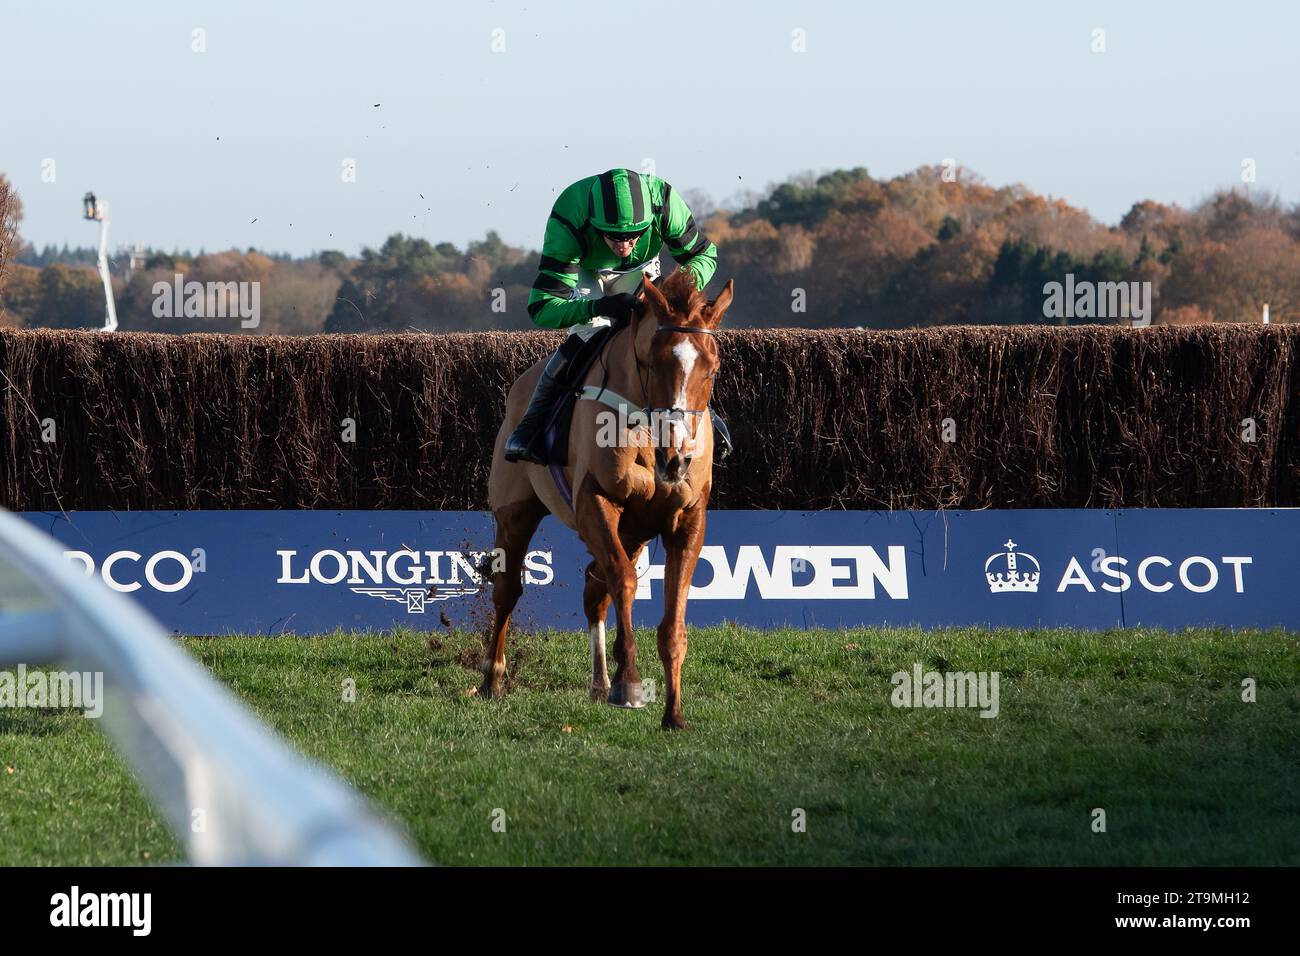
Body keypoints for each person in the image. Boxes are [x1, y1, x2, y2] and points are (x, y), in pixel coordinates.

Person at [503, 167, 732, 464]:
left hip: (642, 268)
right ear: (595, 224)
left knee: (671, 335)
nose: (623, 245)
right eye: (613, 236)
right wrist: (596, 307)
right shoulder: (570, 213)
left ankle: (709, 414)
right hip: (586, 270)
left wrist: (675, 290)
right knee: (590, 330)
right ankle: (531, 424)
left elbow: (704, 256)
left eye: (633, 235)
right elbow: (542, 307)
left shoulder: (663, 201)